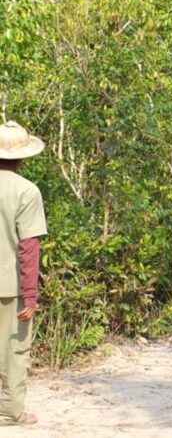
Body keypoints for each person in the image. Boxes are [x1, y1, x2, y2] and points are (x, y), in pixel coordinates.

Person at [0, 121, 47, 426]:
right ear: (22, 157)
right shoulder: (27, 191)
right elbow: (29, 248)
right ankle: (8, 412)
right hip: (9, 285)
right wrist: (31, 294)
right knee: (13, 350)